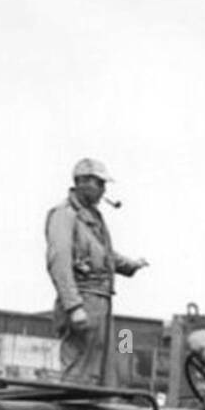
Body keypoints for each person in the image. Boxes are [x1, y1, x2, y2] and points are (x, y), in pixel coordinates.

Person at [45, 158, 148, 385]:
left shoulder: (92, 217)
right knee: (78, 371)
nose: (103, 190)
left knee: (97, 372)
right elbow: (59, 262)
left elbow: (104, 254)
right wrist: (74, 306)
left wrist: (131, 265)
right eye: (99, 183)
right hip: (84, 298)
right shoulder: (64, 214)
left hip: (99, 301)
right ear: (81, 182)